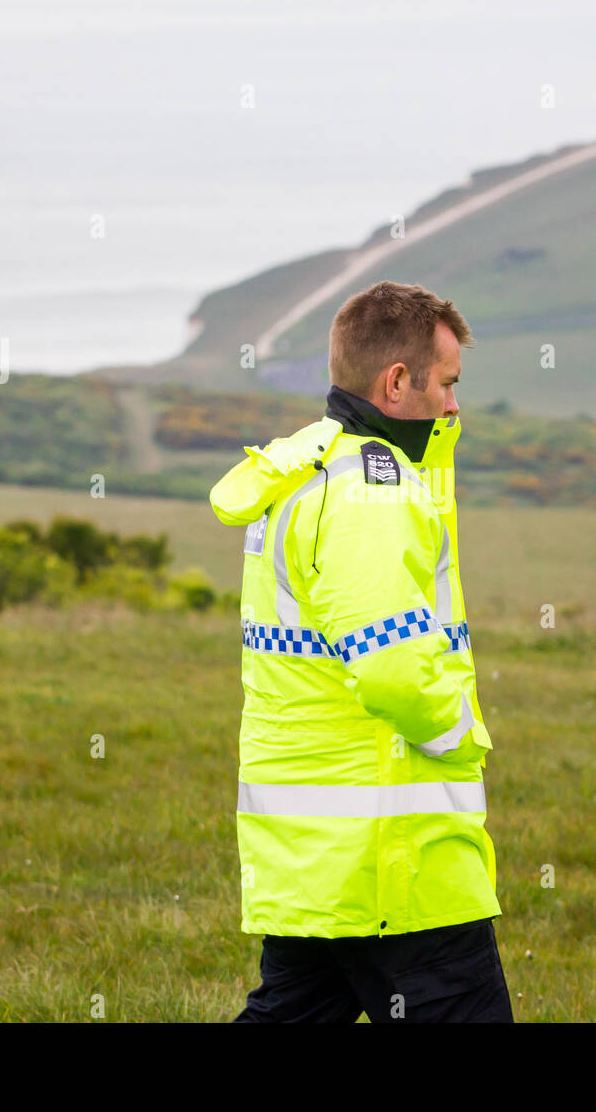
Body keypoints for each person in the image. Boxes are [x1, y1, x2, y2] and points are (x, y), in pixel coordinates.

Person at [210, 280, 512, 1023]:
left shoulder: (306, 466)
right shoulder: (372, 492)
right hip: (394, 859)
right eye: (446, 383)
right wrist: (462, 738)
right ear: (397, 381)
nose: (454, 406)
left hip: (317, 856)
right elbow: (390, 666)